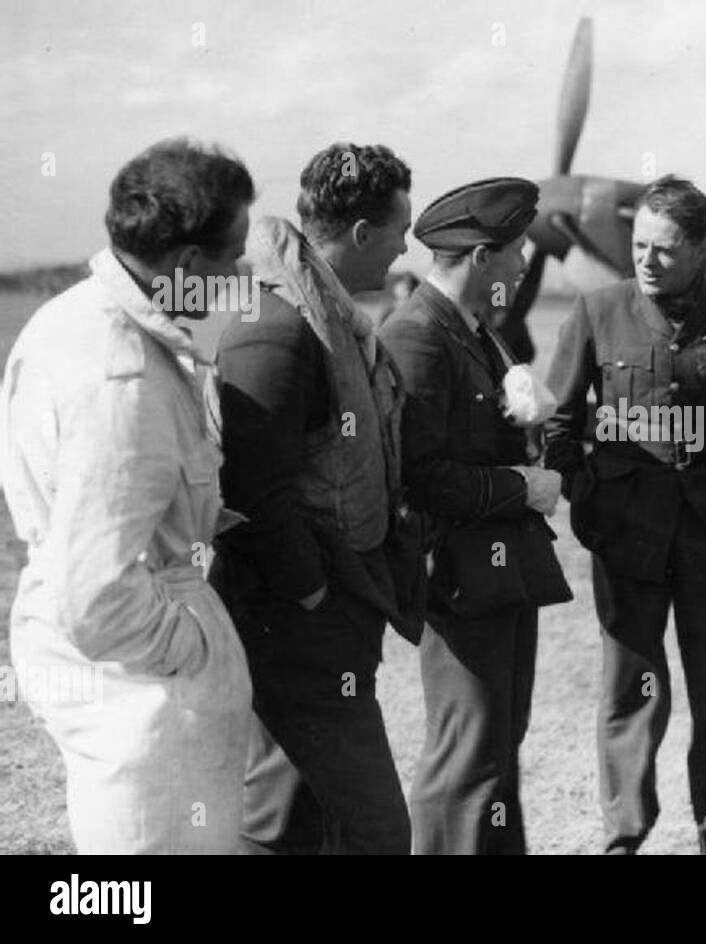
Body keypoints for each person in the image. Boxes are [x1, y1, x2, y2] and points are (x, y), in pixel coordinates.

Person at [0, 138, 255, 853]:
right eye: (232, 254)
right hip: (142, 694)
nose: (239, 272)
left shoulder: (72, 320)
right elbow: (99, 599)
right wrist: (196, 648)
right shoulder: (126, 376)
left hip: (116, 669)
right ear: (186, 265)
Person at [545, 175, 706, 854]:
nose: (645, 260)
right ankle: (624, 837)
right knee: (629, 690)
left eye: (663, 248)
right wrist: (589, 496)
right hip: (627, 534)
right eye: (637, 245)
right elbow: (557, 424)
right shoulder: (596, 311)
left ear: (701, 248)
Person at [211, 142, 415, 854]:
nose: (403, 249)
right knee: (366, 830)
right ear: (362, 234)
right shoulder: (278, 330)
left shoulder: (317, 318)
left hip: (327, 615)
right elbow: (250, 492)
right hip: (297, 627)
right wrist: (312, 594)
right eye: (400, 231)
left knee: (297, 820)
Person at [380, 177, 570, 855]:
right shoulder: (417, 336)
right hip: (460, 576)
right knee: (466, 758)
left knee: (497, 747)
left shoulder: (474, 332)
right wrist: (524, 488)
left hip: (501, 572)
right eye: (516, 253)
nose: (524, 267)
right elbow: (419, 477)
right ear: (483, 255)